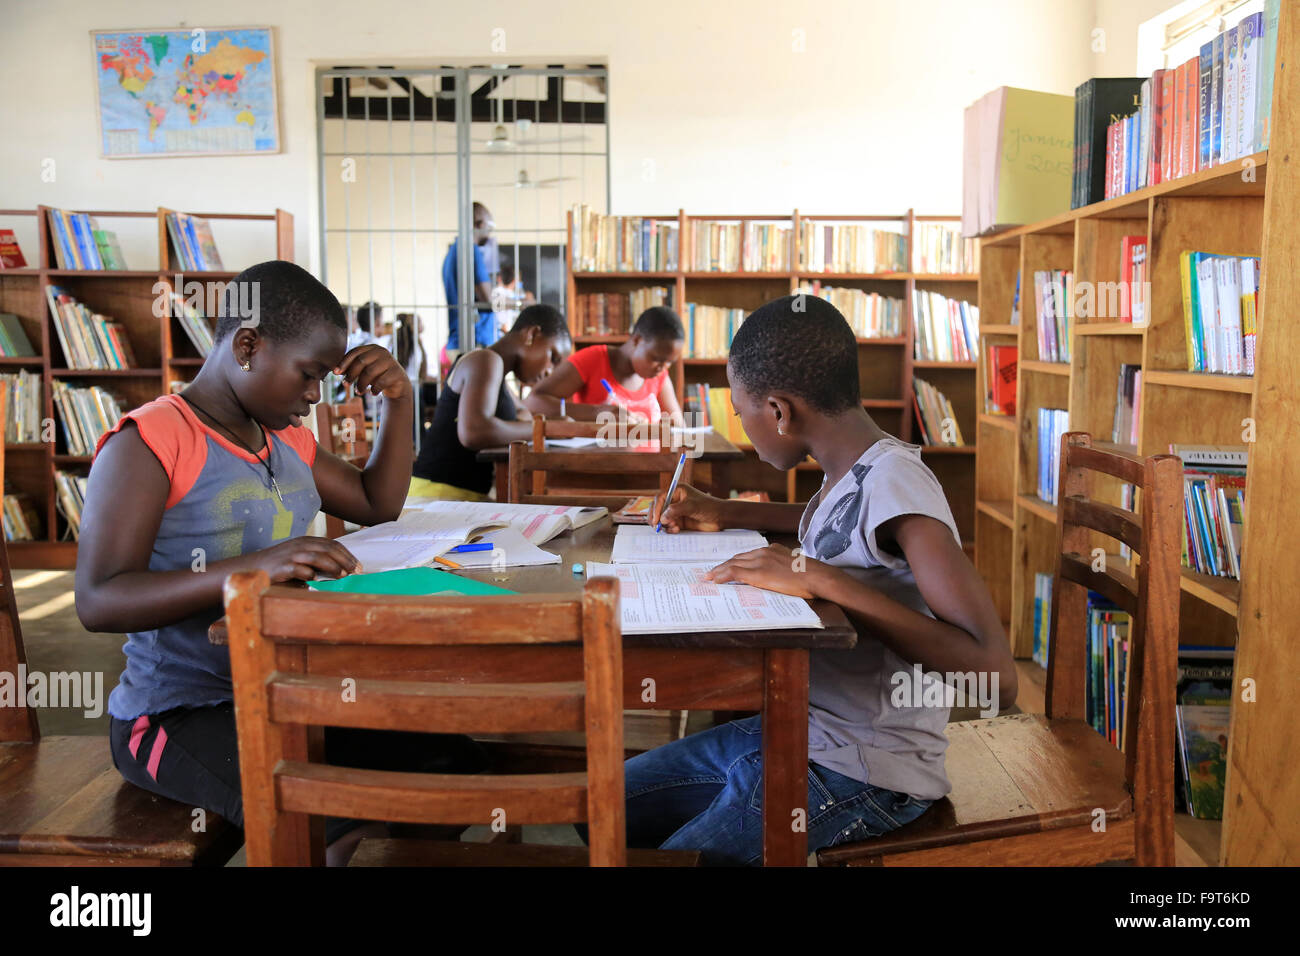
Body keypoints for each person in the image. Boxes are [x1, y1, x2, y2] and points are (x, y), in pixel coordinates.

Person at [75, 261, 484, 864]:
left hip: (291, 691)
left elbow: (378, 503)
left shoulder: (284, 438)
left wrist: (400, 400)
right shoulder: (152, 442)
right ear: (247, 347)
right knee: (315, 804)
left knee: (450, 763)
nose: (315, 394)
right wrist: (254, 571)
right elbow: (98, 600)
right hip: (179, 712)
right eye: (309, 374)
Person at [630, 294, 1015, 866]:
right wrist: (730, 512)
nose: (743, 430)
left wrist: (818, 578)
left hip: (870, 769)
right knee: (608, 808)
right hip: (799, 727)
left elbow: (996, 678)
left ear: (780, 411)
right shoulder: (852, 471)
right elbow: (842, 530)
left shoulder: (900, 483)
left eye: (741, 413)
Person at [410, 303, 572, 501]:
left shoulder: (498, 377)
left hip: (457, 496)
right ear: (532, 334)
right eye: (553, 358)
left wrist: (548, 425)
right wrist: (548, 428)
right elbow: (474, 432)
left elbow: (524, 416)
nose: (549, 372)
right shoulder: (485, 360)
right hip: (436, 497)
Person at [524, 306, 686, 427]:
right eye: (656, 359)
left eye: (669, 362)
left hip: (647, 467)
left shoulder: (659, 376)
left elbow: (678, 427)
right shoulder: (593, 359)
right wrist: (596, 413)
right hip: (593, 465)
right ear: (637, 341)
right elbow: (534, 402)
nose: (663, 368)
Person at [441, 202, 496, 377]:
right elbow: (488, 299)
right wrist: (520, 303)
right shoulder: (470, 250)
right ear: (479, 224)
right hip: (473, 342)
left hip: (459, 341)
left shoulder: (452, 253)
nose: (491, 231)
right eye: (490, 226)